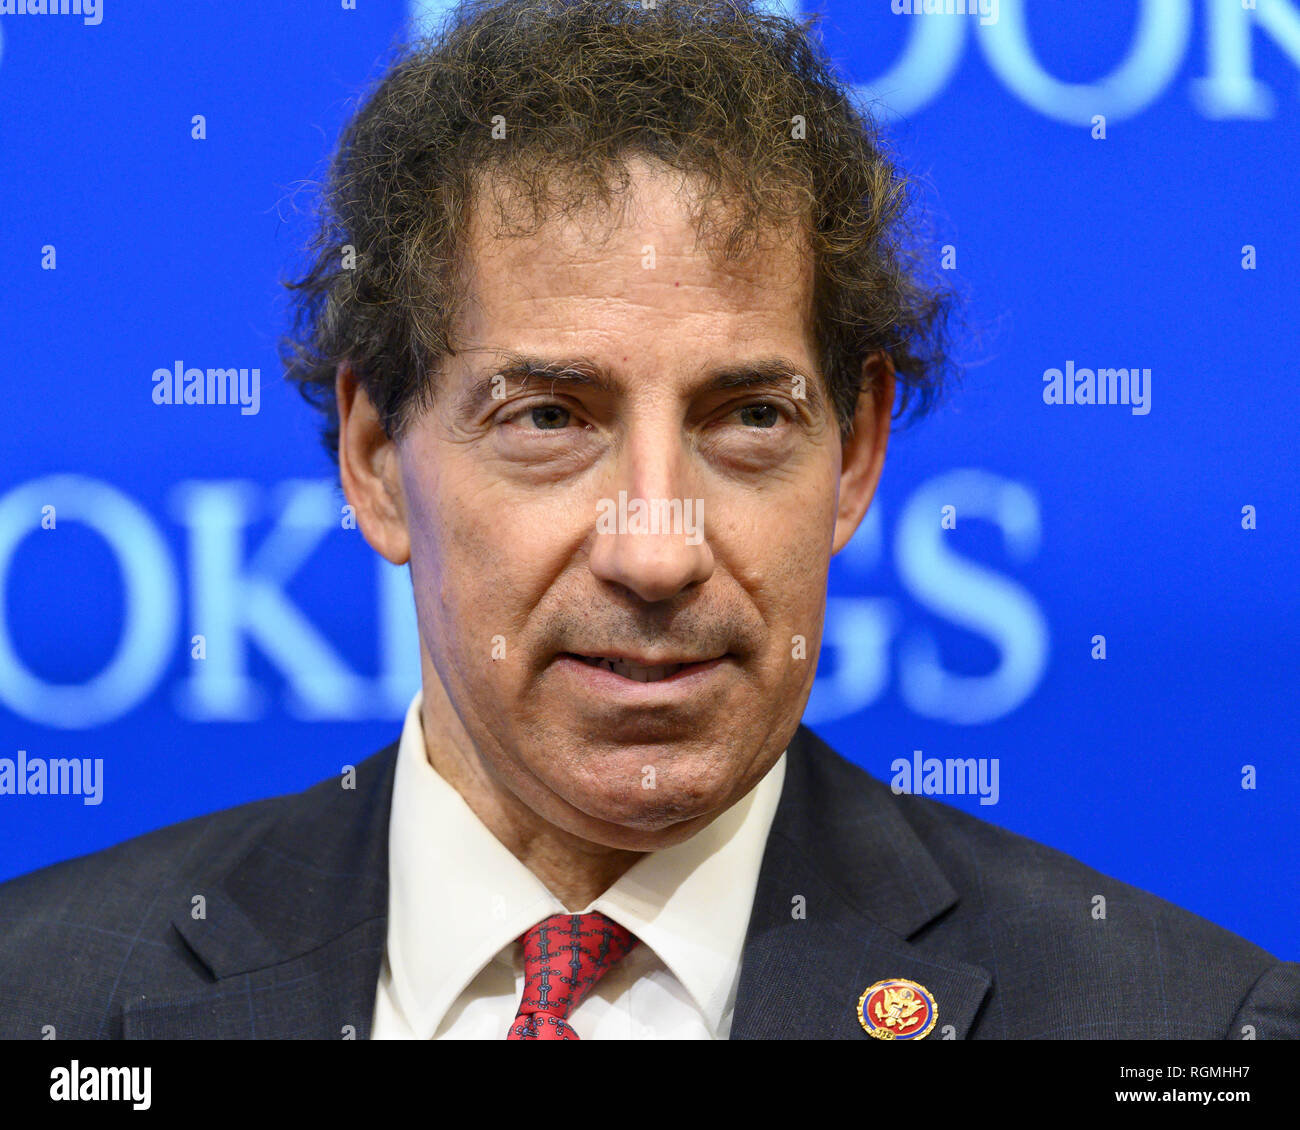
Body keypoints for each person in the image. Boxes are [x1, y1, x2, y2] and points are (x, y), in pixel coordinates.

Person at [0, 0, 1295, 1040]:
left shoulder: (1183, 1023)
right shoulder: (41, 993)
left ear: (856, 455)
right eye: (551, 419)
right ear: (376, 458)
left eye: (747, 419)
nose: (657, 546)